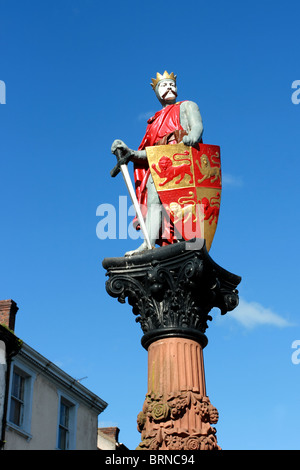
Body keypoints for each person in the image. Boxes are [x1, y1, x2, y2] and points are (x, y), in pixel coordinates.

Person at [111, 71, 204, 256]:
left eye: (171, 84)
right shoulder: (154, 121)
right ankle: (148, 243)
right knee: (154, 202)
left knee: (180, 202)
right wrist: (130, 152)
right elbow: (150, 153)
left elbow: (197, 126)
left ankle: (184, 239)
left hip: (181, 158)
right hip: (160, 164)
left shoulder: (187, 106)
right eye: (163, 85)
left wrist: (192, 137)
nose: (169, 87)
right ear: (157, 92)